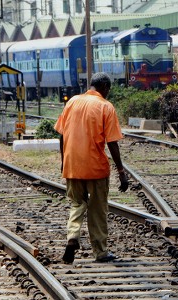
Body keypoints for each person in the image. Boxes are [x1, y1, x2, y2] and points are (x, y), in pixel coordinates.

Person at [54, 72, 129, 264]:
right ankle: (100, 252)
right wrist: (121, 172)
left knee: (76, 204)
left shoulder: (72, 102)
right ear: (104, 87)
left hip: (72, 165)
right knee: (97, 210)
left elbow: (62, 135)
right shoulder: (105, 106)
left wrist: (64, 161)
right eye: (108, 89)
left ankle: (72, 237)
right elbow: (112, 143)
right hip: (95, 167)